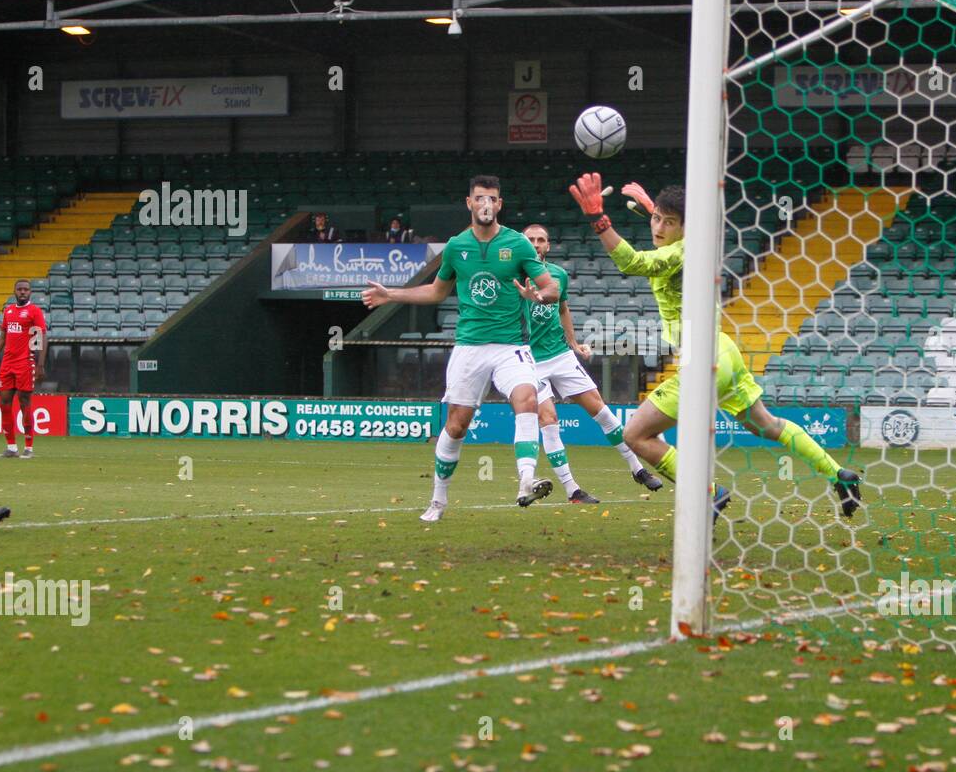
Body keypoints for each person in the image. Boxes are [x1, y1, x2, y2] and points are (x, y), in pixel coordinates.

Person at [568, 173, 863, 522]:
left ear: (685, 228)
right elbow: (667, 236)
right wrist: (652, 208)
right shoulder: (689, 243)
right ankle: (839, 474)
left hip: (703, 358)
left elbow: (634, 262)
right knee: (767, 425)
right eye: (656, 219)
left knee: (635, 434)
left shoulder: (678, 253)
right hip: (724, 350)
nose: (659, 227)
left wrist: (598, 219)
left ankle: (710, 493)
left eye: (669, 222)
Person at [363, 175, 560, 522]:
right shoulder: (456, 246)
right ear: (469, 203)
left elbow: (552, 288)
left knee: (527, 397)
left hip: (509, 345)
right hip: (469, 348)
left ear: (499, 205)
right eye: (479, 198)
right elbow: (437, 292)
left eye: (492, 199)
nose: (486, 204)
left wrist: (538, 295)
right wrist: (390, 294)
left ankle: (526, 480)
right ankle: (438, 501)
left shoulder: (518, 244)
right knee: (456, 425)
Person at [521, 223, 664, 504]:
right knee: (548, 419)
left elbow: (563, 308)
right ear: (524, 245)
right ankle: (573, 489)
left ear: (548, 246)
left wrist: (573, 344)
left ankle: (637, 469)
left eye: (541, 240)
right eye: (530, 240)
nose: (536, 244)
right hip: (530, 360)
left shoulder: (558, 276)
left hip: (560, 356)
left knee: (601, 411)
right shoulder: (513, 278)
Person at [0, 279, 47, 459]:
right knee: (4, 403)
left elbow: (42, 336)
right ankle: (11, 447)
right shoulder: (9, 311)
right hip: (7, 364)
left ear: (30, 292)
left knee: (24, 404)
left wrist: (40, 364)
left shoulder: (34, 311)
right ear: (14, 291)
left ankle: (28, 447)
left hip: (25, 363)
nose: (23, 292)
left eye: (26, 289)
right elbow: (3, 336)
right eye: (20, 289)